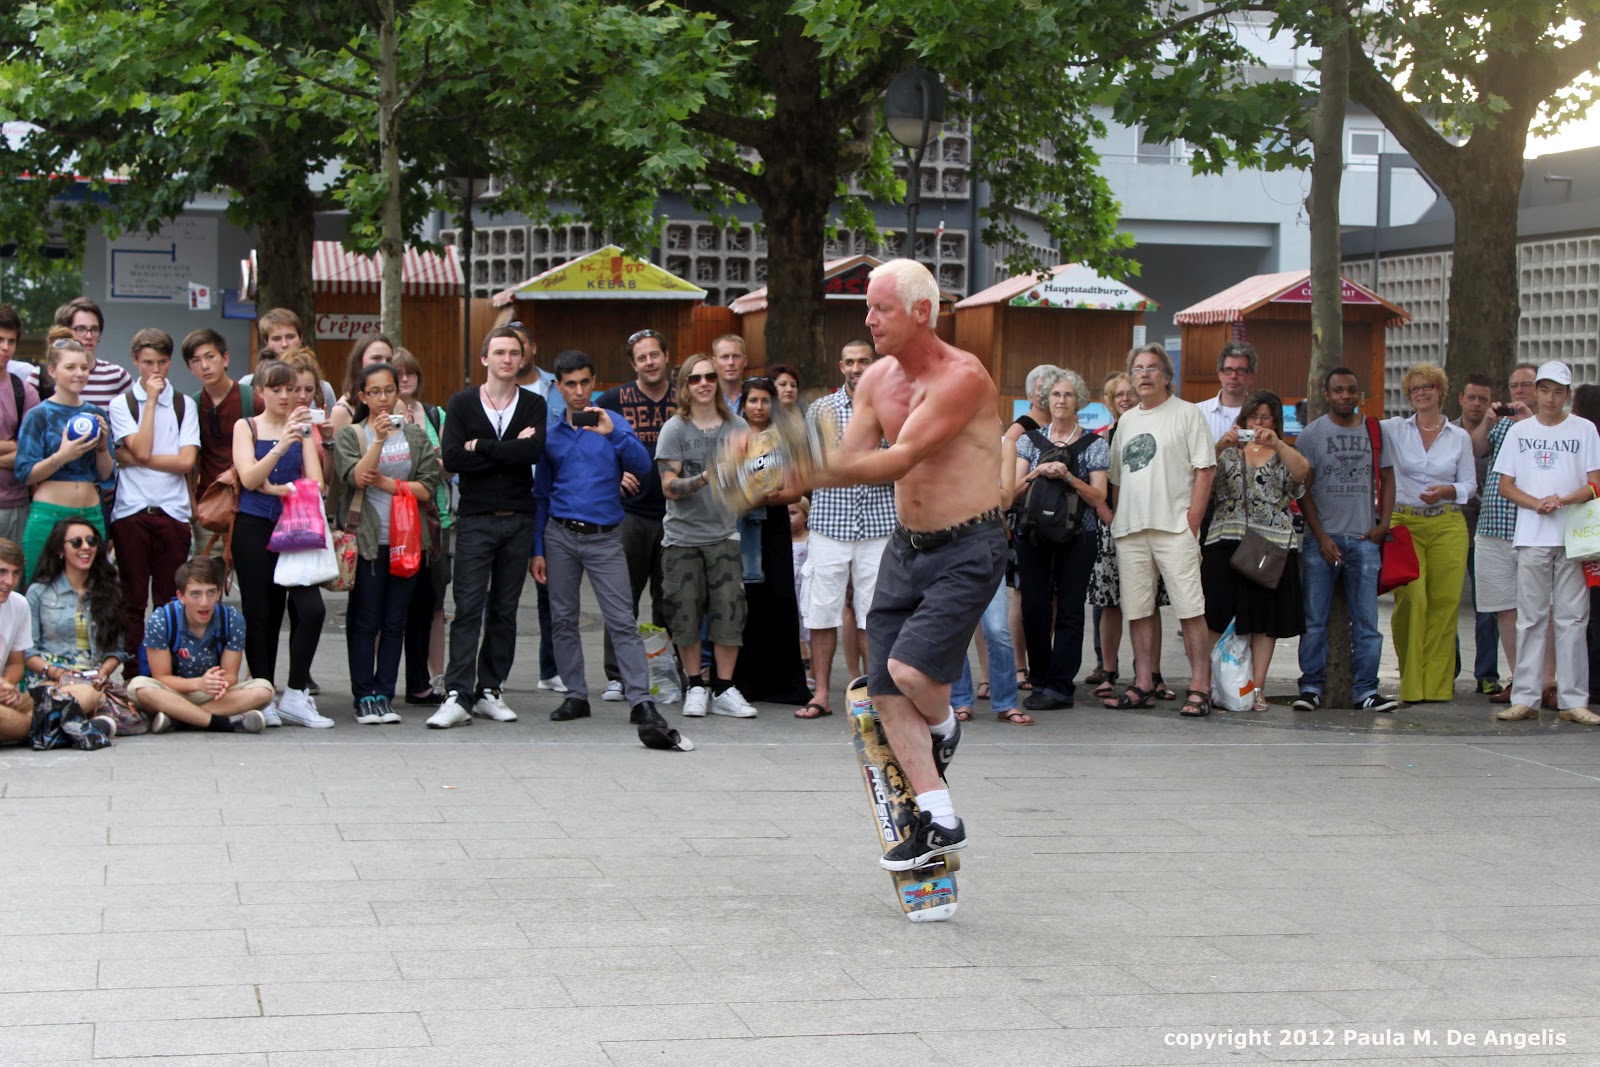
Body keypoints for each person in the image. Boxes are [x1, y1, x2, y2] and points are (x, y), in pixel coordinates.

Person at [798, 258, 1003, 871]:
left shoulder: (963, 377)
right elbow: (850, 455)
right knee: (884, 690)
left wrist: (801, 466)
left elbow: (899, 457)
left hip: (969, 546)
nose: (868, 319)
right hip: (906, 546)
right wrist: (777, 466)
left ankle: (943, 730)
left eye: (880, 308)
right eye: (867, 306)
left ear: (920, 311)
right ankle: (940, 820)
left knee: (911, 673)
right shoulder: (876, 380)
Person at [531, 350, 690, 751]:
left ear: (595, 381)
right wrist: (538, 549)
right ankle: (575, 695)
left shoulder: (612, 421)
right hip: (561, 533)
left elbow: (643, 465)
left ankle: (640, 700)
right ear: (559, 387)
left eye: (586, 382)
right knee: (563, 618)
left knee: (621, 619)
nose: (580, 391)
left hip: (605, 536)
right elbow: (542, 494)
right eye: (571, 384)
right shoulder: (551, 433)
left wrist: (612, 433)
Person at [427, 326, 547, 729]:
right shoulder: (461, 404)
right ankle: (458, 693)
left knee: (505, 610)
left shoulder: (533, 404)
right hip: (475, 520)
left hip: (518, 517)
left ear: (522, 358)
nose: (507, 359)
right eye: (499, 352)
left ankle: (490, 689)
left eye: (514, 352)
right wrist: (504, 451)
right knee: (467, 608)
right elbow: (453, 458)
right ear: (485, 358)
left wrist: (483, 447)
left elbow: (532, 451)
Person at [1105, 343, 1216, 718]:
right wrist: (1119, 517)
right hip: (1132, 529)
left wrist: (1192, 521)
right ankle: (1143, 682)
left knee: (1190, 608)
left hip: (1174, 527)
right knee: (1138, 609)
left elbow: (1205, 468)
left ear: (1167, 376)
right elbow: (1117, 478)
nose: (1145, 374)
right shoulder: (1127, 422)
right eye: (1138, 368)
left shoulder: (1187, 414)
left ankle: (1201, 685)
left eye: (1152, 368)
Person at [1491, 361, 1600, 725]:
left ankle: (1573, 699)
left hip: (1573, 536)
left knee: (1573, 618)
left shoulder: (1584, 430)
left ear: (1567, 395)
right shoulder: (1519, 432)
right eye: (1545, 390)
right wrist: (1536, 503)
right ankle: (1526, 696)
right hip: (1532, 534)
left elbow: (1595, 483)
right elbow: (1506, 485)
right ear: (1535, 391)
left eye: (1559, 392)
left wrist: (1563, 500)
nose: (1551, 398)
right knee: (1531, 618)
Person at [334, 362, 443, 725]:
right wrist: (379, 439)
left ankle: (384, 693)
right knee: (366, 620)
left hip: (408, 541)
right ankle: (364, 694)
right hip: (368, 542)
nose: (383, 399)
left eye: (389, 390)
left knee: (396, 621)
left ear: (399, 391)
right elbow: (357, 477)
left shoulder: (414, 436)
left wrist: (387, 483)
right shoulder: (353, 435)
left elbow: (428, 487)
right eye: (375, 392)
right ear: (362, 396)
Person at [230, 358, 331, 729]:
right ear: (260, 392)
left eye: (291, 389)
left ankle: (295, 692)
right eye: (277, 389)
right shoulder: (247, 426)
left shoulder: (302, 427)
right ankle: (262, 693)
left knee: (311, 609)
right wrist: (279, 448)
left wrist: (279, 482)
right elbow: (249, 477)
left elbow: (316, 483)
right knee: (261, 614)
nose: (286, 396)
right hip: (254, 525)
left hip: (295, 526)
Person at [798, 339, 895, 718]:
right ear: (841, 366)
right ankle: (821, 693)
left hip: (879, 525)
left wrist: (852, 461)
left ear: (876, 364)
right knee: (821, 613)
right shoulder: (821, 409)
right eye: (851, 361)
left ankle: (876, 697)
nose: (857, 368)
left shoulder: (892, 406)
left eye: (864, 361)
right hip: (828, 525)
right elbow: (817, 466)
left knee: (875, 615)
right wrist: (870, 460)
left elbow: (901, 462)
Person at [1293, 367, 1400, 713]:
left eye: (1351, 390)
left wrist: (1383, 524)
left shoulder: (1375, 430)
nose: (1345, 396)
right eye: (1338, 390)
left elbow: (1387, 477)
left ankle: (1366, 691)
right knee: (1314, 620)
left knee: (1368, 623)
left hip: (1364, 540)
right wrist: (1320, 536)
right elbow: (1303, 491)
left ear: (1359, 394)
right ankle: (1310, 687)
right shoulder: (1311, 434)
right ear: (1327, 394)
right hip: (1321, 542)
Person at [657, 354, 757, 718]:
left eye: (710, 376)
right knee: (683, 612)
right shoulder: (675, 429)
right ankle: (695, 685)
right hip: (682, 538)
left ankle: (725, 688)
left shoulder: (738, 426)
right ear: (684, 385)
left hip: (725, 535)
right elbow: (669, 487)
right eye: (695, 378)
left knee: (730, 612)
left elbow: (751, 484)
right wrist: (705, 477)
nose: (704, 383)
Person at [1202, 390, 1310, 710]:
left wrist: (1277, 443)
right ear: (1243, 419)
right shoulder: (1229, 453)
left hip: (1271, 545)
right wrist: (1222, 444)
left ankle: (1256, 688)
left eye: (1266, 417)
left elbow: (1302, 473)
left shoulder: (1283, 452)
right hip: (1225, 540)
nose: (1259, 423)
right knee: (1215, 615)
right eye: (1253, 417)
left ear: (1276, 421)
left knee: (1265, 621)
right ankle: (1205, 684)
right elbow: (1197, 471)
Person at [1012, 369, 1108, 714]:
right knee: (1034, 608)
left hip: (1079, 536)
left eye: (1068, 395)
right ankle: (1040, 680)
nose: (1062, 401)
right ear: (1046, 401)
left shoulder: (1095, 444)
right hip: (1033, 534)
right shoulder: (1029, 440)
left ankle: (1061, 686)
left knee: (1069, 611)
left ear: (1079, 401)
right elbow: (1011, 492)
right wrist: (1039, 470)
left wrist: (1068, 475)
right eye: (1056, 395)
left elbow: (1099, 497)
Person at [109, 328, 200, 679]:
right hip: (132, 511)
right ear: (135, 361)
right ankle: (133, 674)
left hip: (173, 512)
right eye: (148, 363)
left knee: (169, 602)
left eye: (162, 362)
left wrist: (135, 459)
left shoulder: (183, 404)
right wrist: (148, 402)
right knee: (133, 602)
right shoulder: (123, 403)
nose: (155, 371)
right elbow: (145, 447)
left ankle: (166, 675)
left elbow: (185, 462)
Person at [596, 328, 677, 704]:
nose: (650, 362)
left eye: (654, 355)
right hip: (629, 514)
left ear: (666, 356)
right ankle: (617, 676)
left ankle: (665, 671)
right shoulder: (613, 399)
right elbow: (592, 448)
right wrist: (614, 471)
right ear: (633, 364)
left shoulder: (684, 395)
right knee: (621, 597)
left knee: (670, 600)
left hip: (677, 514)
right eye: (642, 357)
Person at [1385, 362, 1475, 704]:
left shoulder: (1460, 437)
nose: (1422, 393)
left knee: (1444, 604)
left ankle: (1437, 687)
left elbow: (1469, 483)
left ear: (1441, 391)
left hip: (1448, 523)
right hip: (1405, 523)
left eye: (1428, 387)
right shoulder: (1395, 428)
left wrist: (1447, 491)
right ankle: (1411, 681)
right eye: (1415, 389)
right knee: (1413, 599)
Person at [1087, 371, 1174, 700]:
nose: (1125, 398)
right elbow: (1097, 489)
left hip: (1149, 524)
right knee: (1110, 603)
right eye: (1117, 394)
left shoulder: (1155, 430)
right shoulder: (1101, 438)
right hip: (1111, 526)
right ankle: (1108, 671)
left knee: (1149, 603)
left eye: (1130, 392)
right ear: (1108, 402)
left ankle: (1153, 673)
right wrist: (1110, 518)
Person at [730, 377, 810, 706]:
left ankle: (785, 684)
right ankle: (743, 682)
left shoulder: (784, 441)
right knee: (744, 602)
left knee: (778, 597)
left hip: (774, 525)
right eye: (753, 401)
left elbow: (796, 490)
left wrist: (768, 497)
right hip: (740, 526)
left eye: (765, 401)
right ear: (743, 404)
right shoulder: (731, 437)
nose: (759, 407)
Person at [127, 557, 273, 734]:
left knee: (264, 689)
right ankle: (221, 723)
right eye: (195, 594)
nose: (204, 602)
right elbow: (161, 677)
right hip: (173, 692)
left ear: (219, 593)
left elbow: (231, 676)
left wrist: (213, 684)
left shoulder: (232, 619)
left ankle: (178, 718)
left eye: (211, 592)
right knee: (139, 687)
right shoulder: (162, 619)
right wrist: (198, 684)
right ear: (181, 596)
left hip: (214, 694)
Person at [1471, 363, 1542, 706]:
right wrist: (1488, 419)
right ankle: (1517, 677)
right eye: (1514, 385)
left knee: (1541, 609)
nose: (1519, 392)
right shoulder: (1500, 425)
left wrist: (1528, 420)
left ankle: (1545, 680)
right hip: (1493, 526)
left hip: (1532, 528)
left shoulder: (1548, 425)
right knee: (1504, 610)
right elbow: (1475, 450)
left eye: (1526, 385)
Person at [15, 339, 114, 581]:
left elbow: (106, 475)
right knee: (40, 587)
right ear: (52, 371)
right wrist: (62, 456)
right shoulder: (39, 415)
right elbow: (25, 473)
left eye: (84, 367)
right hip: (49, 514)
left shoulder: (96, 413)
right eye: (70, 367)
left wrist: (102, 446)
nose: (79, 374)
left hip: (90, 513)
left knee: (93, 589)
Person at [505, 319, 563, 695]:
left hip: (549, 496)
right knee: (502, 595)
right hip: (506, 497)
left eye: (519, 347)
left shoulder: (554, 389)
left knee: (552, 591)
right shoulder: (489, 394)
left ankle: (551, 669)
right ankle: (494, 676)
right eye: (505, 350)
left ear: (532, 348)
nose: (514, 355)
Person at [392, 349, 452, 705]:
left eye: (410, 373)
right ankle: (382, 680)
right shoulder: (380, 415)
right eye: (397, 374)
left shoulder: (435, 413)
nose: (404, 380)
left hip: (433, 520)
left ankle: (432, 678)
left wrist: (430, 454)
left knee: (433, 602)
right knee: (392, 605)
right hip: (392, 521)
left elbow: (449, 466)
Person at [23, 519, 125, 725]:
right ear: (61, 549)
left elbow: (117, 650)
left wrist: (103, 672)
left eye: (91, 541)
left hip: (94, 679)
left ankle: (62, 723)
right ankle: (80, 721)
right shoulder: (39, 592)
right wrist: (58, 673)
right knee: (86, 698)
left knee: (111, 702)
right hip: (52, 679)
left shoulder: (109, 591)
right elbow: (27, 651)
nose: (86, 547)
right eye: (77, 542)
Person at [1003, 363, 1058, 689]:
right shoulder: (1020, 429)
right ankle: (1019, 665)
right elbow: (1008, 480)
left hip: (1055, 524)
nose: (1047, 391)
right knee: (1024, 594)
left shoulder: (1063, 426)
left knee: (1050, 596)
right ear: (1030, 393)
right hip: (1024, 521)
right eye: (1042, 386)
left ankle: (1042, 658)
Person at [182, 328, 252, 556]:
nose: (204, 365)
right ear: (189, 368)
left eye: (210, 357)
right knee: (207, 582)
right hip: (209, 507)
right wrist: (193, 505)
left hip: (249, 505)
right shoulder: (191, 405)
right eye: (196, 360)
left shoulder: (251, 399)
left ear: (225, 358)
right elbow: (190, 461)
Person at [1456, 372, 1502, 694]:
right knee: (1446, 603)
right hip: (1452, 526)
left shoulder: (1500, 434)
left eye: (1482, 399)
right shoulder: (1446, 432)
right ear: (1460, 399)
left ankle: (1486, 674)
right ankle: (1449, 668)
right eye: (1471, 397)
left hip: (1486, 530)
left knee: (1488, 606)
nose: (1476, 404)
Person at [16, 298, 132, 408]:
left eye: (94, 329)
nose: (89, 336)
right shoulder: (41, 376)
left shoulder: (117, 376)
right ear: (65, 332)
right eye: (80, 329)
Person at [0, 304, 41, 547]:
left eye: (11, 341)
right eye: (0, 339)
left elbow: (31, 455)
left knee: (12, 582)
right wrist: (11, 446)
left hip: (16, 504)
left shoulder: (24, 392)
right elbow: (19, 451)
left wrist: (20, 450)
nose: (5, 348)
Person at [327, 334, 395, 438]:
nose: (384, 365)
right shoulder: (342, 410)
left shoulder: (397, 403)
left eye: (389, 360)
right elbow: (337, 454)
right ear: (359, 361)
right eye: (376, 358)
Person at [0, 539, 34, 742]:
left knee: (71, 696)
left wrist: (7, 686)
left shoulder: (19, 604)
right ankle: (41, 728)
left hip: (3, 694)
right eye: (2, 572)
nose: (9, 581)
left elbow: (16, 663)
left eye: (15, 573)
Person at [1196, 340, 1258, 442]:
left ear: (1251, 377)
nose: (1233, 376)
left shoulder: (1260, 415)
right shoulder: (1197, 412)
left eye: (1241, 371)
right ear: (1220, 374)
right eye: (1228, 370)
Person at [710, 334, 747, 413]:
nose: (731, 362)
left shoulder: (755, 397)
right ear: (714, 362)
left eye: (736, 356)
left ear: (745, 361)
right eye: (725, 357)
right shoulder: (707, 398)